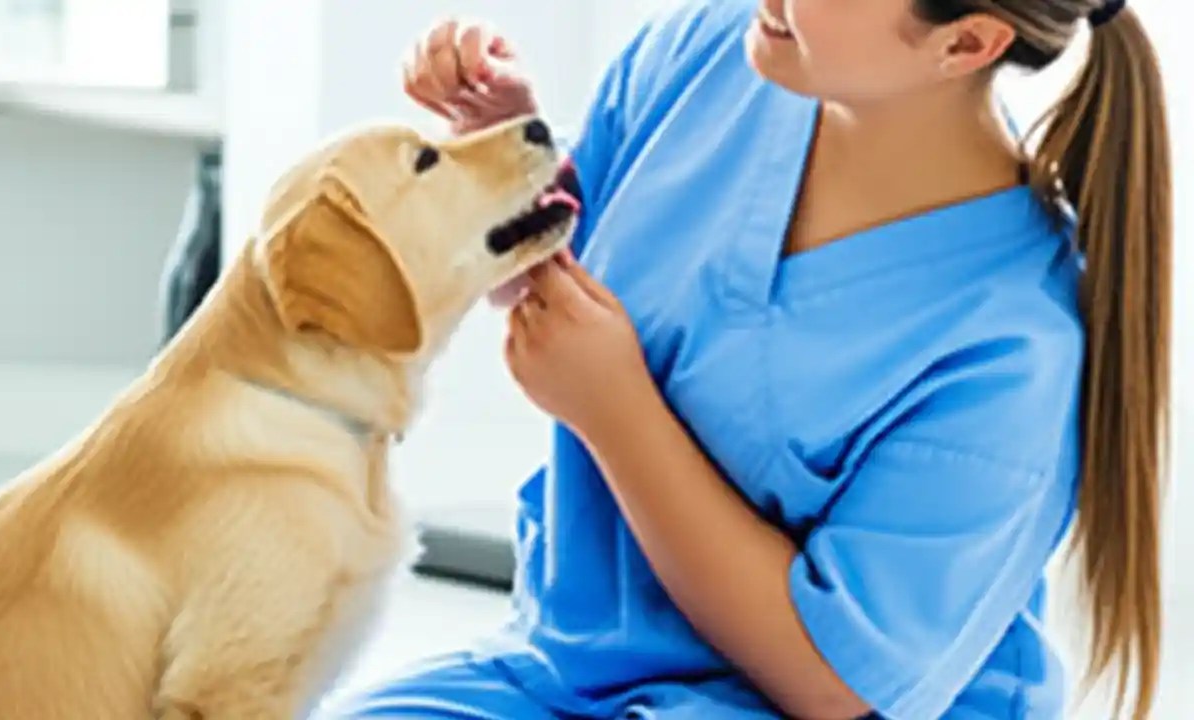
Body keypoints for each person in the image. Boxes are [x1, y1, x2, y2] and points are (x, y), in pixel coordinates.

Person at [320, 0, 1172, 717]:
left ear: (966, 44)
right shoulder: (716, 51)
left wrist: (618, 415)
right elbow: (562, 287)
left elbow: (836, 682)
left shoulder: (1016, 339)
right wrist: (505, 162)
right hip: (576, 672)